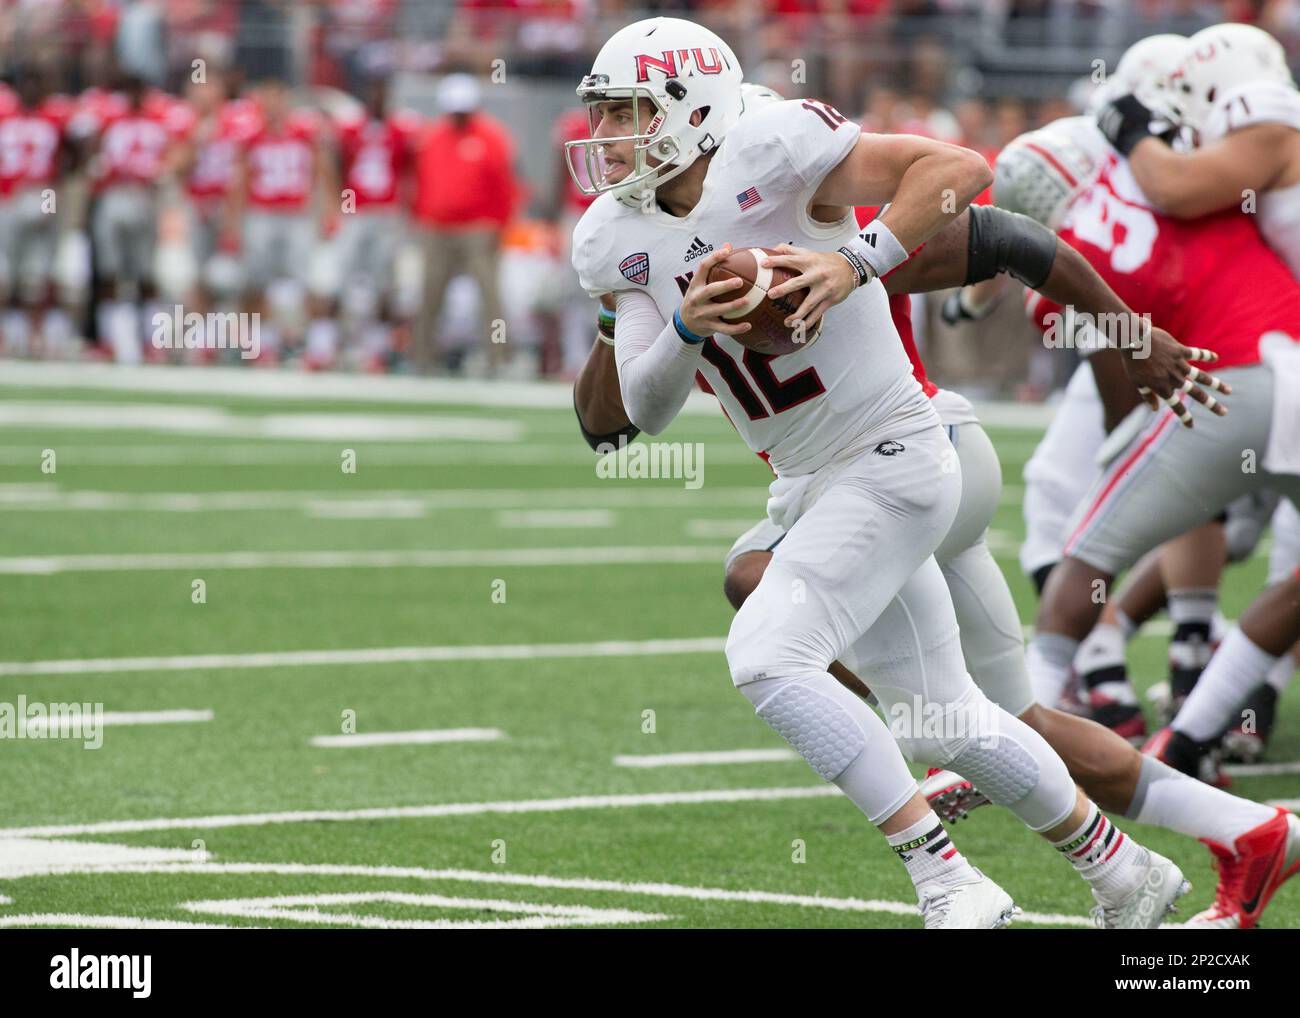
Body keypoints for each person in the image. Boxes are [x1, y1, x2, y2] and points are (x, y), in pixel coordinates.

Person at [569, 17, 1215, 928]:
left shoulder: (775, 143)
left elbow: (959, 172)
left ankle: (945, 877)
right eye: (601, 117)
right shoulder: (613, 235)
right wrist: (685, 330)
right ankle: (1125, 873)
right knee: (943, 715)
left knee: (765, 657)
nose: (605, 139)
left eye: (627, 113)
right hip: (807, 477)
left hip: (893, 449)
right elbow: (637, 409)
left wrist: (852, 261)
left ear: (691, 103)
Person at [411, 73, 515, 375]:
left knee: (489, 295)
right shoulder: (431, 137)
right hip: (437, 228)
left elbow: (505, 186)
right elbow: (420, 181)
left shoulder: (492, 137)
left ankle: (497, 360)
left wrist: (499, 226)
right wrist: (421, 218)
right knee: (430, 293)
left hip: (478, 229)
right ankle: (422, 359)